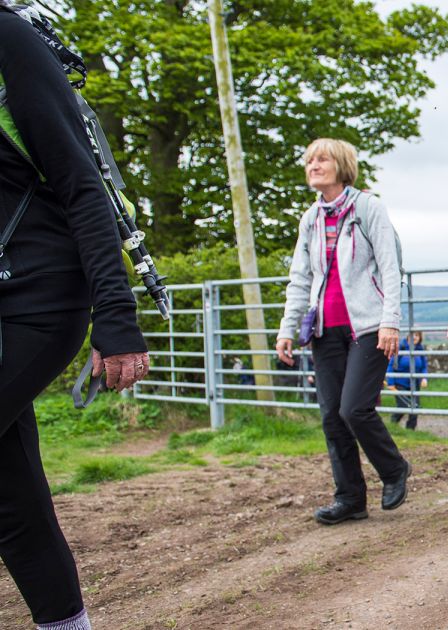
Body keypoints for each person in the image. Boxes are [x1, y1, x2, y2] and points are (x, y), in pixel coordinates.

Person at [0, 5, 149, 629]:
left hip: (38, 297)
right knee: (11, 497)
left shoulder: (8, 40)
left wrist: (115, 313)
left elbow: (82, 185)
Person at [276, 138, 412, 526]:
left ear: (341, 166)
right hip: (325, 329)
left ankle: (394, 469)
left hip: (368, 327)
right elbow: (300, 277)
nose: (313, 165)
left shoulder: (367, 208)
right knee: (332, 418)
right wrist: (288, 328)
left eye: (322, 159)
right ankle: (350, 497)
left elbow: (390, 267)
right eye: (309, 160)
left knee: (354, 408)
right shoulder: (311, 218)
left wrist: (390, 322)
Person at [386, 331, 428, 429]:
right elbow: (391, 366)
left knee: (415, 407)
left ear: (420, 338)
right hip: (400, 383)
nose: (414, 337)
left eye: (417, 335)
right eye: (412, 335)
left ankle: (410, 430)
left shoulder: (420, 350)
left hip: (414, 384)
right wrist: (390, 383)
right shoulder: (401, 348)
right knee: (403, 405)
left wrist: (424, 378)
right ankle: (392, 424)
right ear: (408, 336)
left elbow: (424, 367)